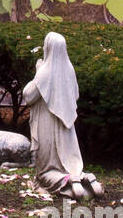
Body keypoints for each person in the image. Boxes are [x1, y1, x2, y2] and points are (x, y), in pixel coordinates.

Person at [21, 31, 102, 202]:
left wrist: (38, 73)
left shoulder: (45, 71)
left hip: (47, 125)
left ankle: (67, 182)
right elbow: (76, 95)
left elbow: (28, 96)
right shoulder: (69, 69)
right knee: (69, 164)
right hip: (67, 129)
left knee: (45, 171)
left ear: (48, 48)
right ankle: (82, 178)